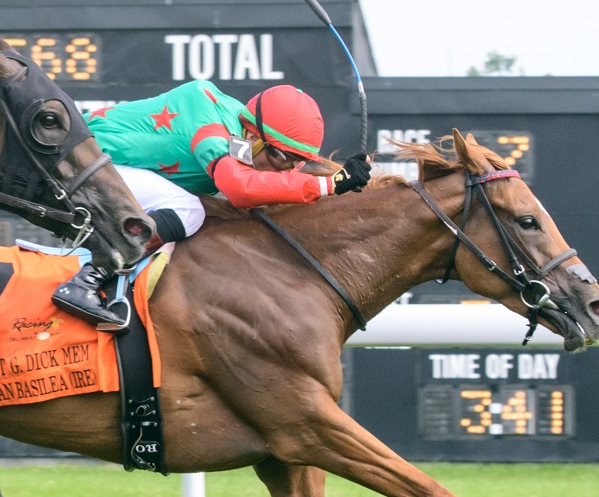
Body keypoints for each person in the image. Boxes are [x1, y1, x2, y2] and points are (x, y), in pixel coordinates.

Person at [51, 79, 372, 327]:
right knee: (188, 210)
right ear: (252, 134)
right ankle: (87, 281)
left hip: (100, 165)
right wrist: (328, 184)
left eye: (296, 163)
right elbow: (241, 189)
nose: (283, 170)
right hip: (77, 161)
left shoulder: (239, 135)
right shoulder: (210, 127)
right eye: (280, 157)